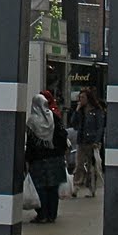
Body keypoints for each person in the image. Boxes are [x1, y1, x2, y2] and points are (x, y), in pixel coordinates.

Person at [25, 90, 66, 223]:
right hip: (55, 158)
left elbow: (31, 144)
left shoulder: (32, 121)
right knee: (53, 187)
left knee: (40, 187)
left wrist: (28, 159)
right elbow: (62, 136)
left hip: (39, 160)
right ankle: (52, 214)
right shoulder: (54, 118)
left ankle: (42, 214)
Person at [69, 86, 106, 197]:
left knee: (91, 166)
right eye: (80, 97)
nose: (81, 100)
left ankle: (91, 188)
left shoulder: (96, 111)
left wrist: (97, 140)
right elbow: (73, 123)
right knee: (79, 164)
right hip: (81, 140)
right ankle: (76, 186)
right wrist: (76, 110)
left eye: (83, 97)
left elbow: (100, 127)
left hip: (92, 140)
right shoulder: (80, 111)